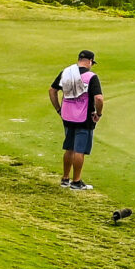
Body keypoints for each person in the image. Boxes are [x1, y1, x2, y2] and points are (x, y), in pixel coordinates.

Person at [47, 50, 103, 191]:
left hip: (67, 116)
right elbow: (99, 98)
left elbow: (52, 90)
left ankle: (65, 178)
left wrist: (59, 109)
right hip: (84, 117)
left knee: (69, 148)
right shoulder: (91, 77)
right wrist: (99, 114)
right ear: (90, 61)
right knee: (80, 149)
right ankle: (76, 182)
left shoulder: (65, 72)